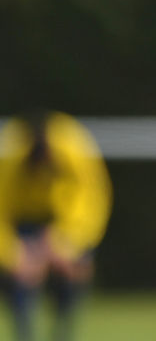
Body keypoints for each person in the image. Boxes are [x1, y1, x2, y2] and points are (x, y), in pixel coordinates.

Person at [0, 111, 112, 341]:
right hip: (23, 220)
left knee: (75, 268)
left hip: (65, 220)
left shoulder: (73, 145)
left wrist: (68, 240)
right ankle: (24, 334)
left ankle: (62, 333)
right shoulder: (9, 155)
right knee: (19, 277)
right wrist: (12, 254)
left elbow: (93, 200)